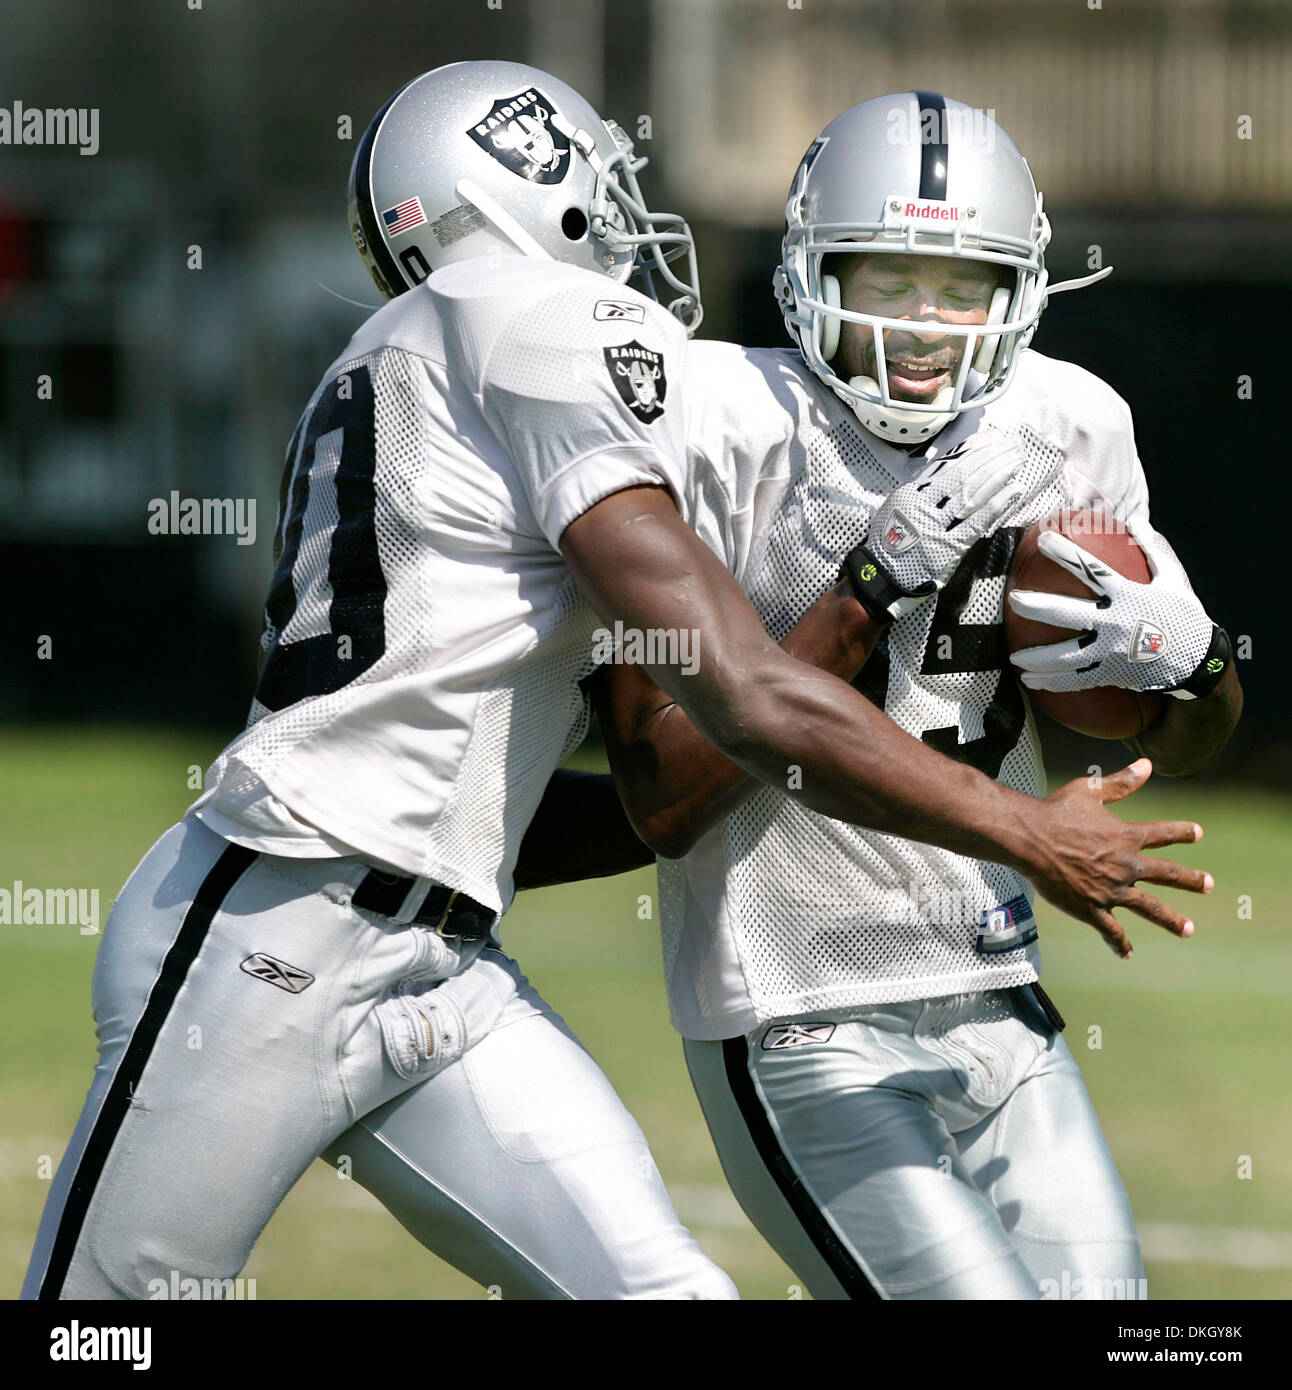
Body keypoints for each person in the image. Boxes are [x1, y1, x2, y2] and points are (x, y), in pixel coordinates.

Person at [23, 66, 1211, 1302]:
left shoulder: (433, 340)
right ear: (529, 190)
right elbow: (746, 693)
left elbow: (525, 793)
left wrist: (726, 813)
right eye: (600, 178)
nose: (629, 216)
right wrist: (1024, 826)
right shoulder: (535, 320)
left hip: (439, 956)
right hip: (267, 930)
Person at [588, 93, 1242, 1299]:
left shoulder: (1070, 424)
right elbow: (666, 797)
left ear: (1020, 292)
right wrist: (865, 585)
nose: (925, 324)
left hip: (999, 991)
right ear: (807, 271)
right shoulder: (712, 417)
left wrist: (1192, 660)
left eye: (961, 285)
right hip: (796, 1007)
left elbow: (1179, 737)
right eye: (886, 280)